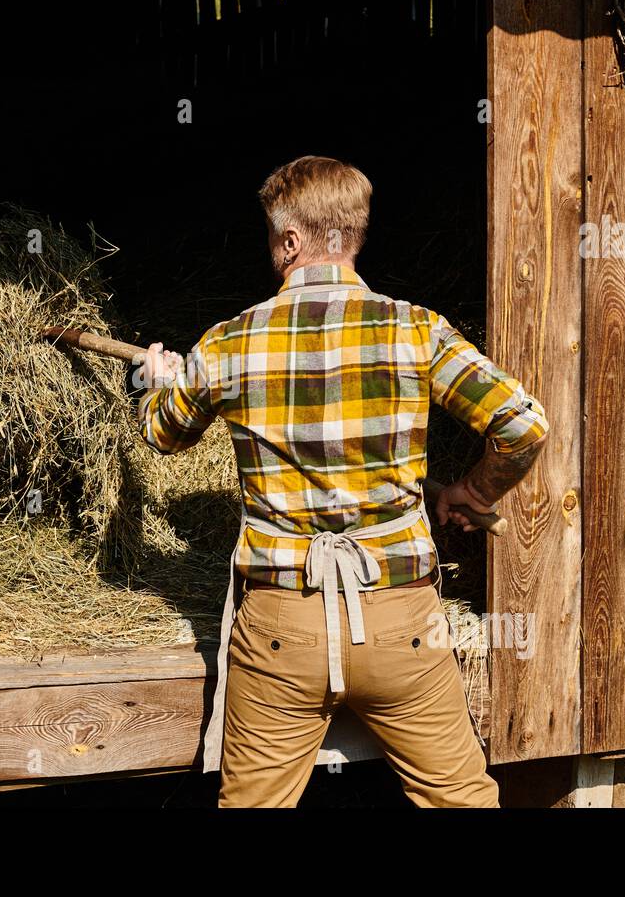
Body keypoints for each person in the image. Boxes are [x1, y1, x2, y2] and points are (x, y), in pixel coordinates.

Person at [136, 155, 549, 807]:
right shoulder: (418, 331)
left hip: (280, 627)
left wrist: (162, 380)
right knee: (464, 801)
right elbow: (524, 425)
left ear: (293, 240)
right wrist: (474, 492)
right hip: (400, 624)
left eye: (274, 237)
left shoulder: (228, 345)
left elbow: (164, 434)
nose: (272, 250)